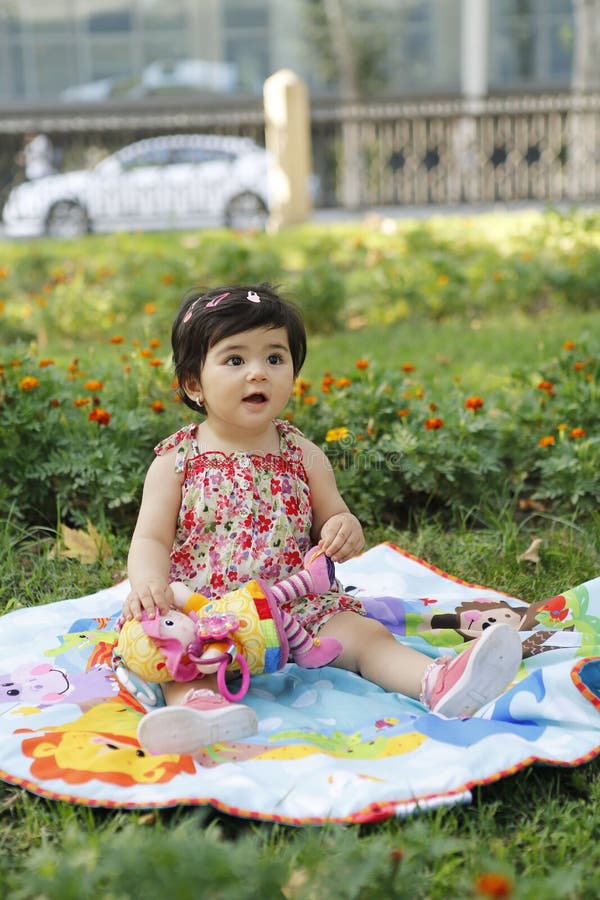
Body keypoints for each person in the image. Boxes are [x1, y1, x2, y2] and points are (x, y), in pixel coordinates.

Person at [123, 283, 522, 755]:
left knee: (364, 635)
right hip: (208, 610)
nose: (259, 373)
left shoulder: (303, 454)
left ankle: (437, 682)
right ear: (194, 383)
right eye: (235, 360)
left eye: (275, 358)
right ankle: (198, 712)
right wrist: (148, 583)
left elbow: (333, 517)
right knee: (182, 657)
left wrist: (343, 528)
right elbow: (151, 536)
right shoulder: (178, 460)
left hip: (295, 608)